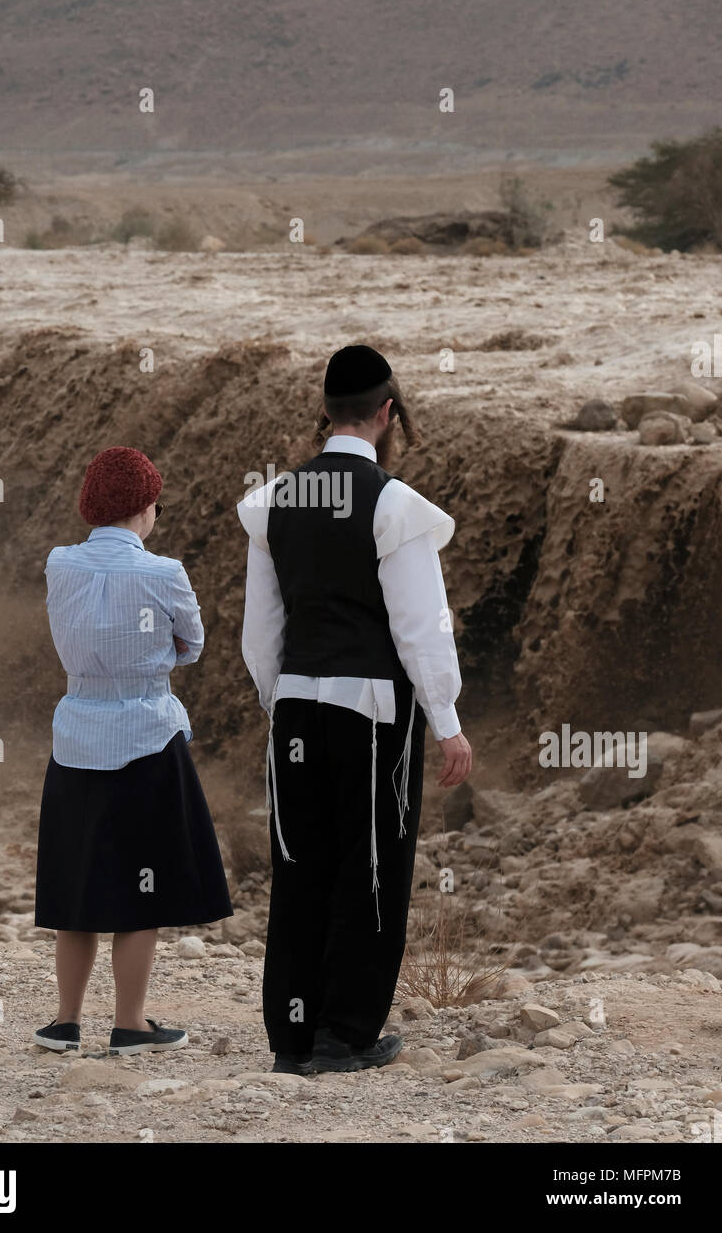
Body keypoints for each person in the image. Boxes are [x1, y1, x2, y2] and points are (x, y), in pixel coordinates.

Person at [237, 344, 471, 1075]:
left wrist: (285, 705)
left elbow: (258, 634)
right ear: (388, 414)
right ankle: (346, 1036)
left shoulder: (274, 500)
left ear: (325, 414)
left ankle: (292, 1039)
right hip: (371, 712)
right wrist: (448, 719)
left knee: (301, 865)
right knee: (370, 868)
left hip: (297, 707)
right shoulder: (395, 505)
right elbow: (420, 626)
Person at [34, 446, 232, 1057]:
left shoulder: (59, 564)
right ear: (145, 508)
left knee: (77, 889)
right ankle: (130, 1025)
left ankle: (65, 1023)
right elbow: (192, 644)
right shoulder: (163, 572)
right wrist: (151, 660)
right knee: (139, 891)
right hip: (146, 737)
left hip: (75, 738)